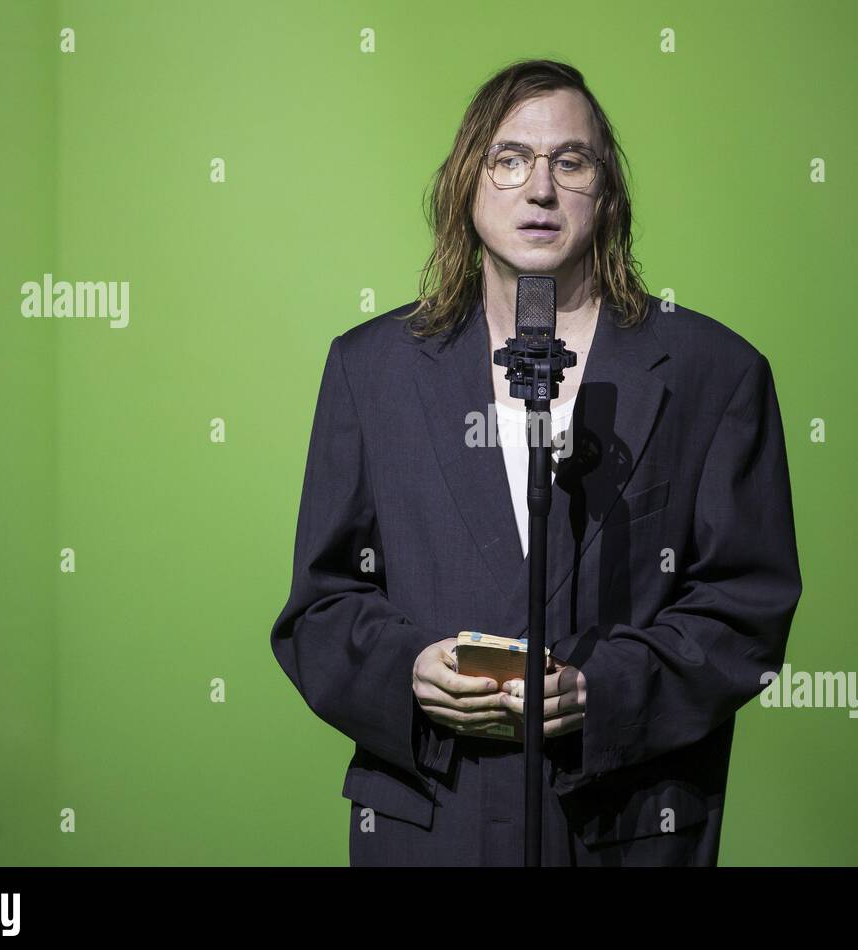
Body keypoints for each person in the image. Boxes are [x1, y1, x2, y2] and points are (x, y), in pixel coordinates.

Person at [269, 58, 803, 866]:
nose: (540, 190)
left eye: (571, 161)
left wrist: (602, 690)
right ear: (465, 186)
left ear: (610, 191)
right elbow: (318, 608)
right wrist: (410, 673)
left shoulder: (714, 373)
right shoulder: (369, 368)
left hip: (623, 831)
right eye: (509, 159)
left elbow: (746, 612)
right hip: (432, 824)